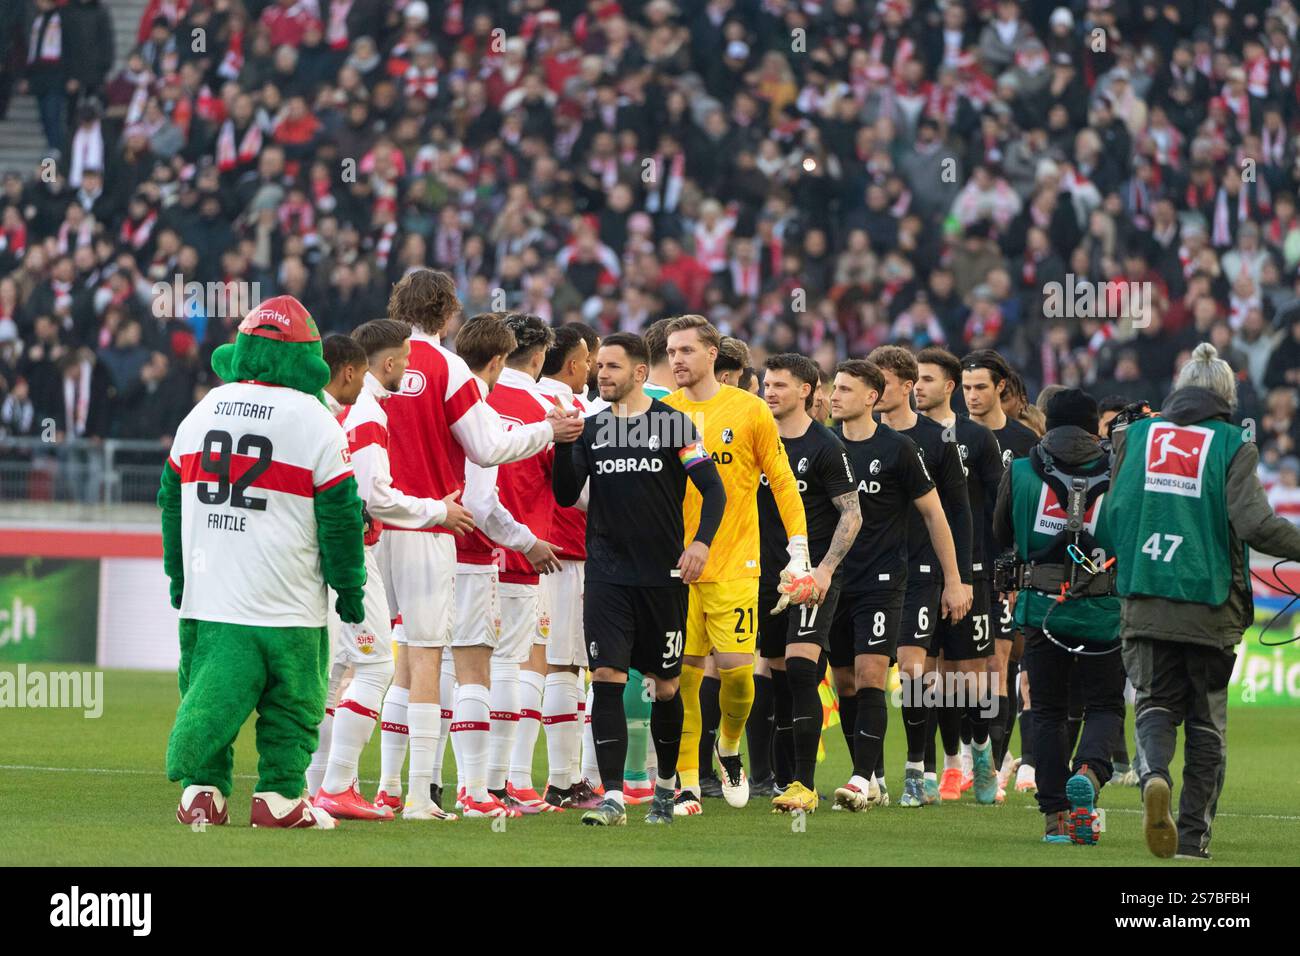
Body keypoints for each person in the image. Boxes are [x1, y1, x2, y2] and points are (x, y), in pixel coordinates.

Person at [371, 271, 582, 822]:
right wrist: (546, 434)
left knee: (378, 663)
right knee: (434, 658)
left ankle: (368, 785)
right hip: (440, 527)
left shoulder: (376, 359)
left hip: (374, 527)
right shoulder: (450, 369)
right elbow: (486, 450)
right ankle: (437, 793)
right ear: (446, 312)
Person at [1107, 343, 1300, 860]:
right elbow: (1256, 525)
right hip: (1210, 606)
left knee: (1152, 704)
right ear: (1227, 396)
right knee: (1206, 723)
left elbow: (1111, 517)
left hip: (1145, 600)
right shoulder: (1233, 444)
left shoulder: (1135, 435)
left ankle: (1152, 776)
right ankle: (1192, 839)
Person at [552, 331, 727, 825]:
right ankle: (611, 796)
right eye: (598, 366)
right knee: (606, 676)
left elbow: (713, 493)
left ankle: (666, 789)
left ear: (640, 373)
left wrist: (700, 544)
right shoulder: (590, 428)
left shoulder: (676, 426)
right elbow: (566, 496)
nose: (601, 373)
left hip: (663, 578)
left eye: (611, 366)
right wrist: (564, 447)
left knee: (665, 687)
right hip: (607, 575)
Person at [312, 322, 473, 821]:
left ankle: (315, 786)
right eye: (405, 359)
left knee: (337, 671)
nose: (410, 367)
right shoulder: (366, 415)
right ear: (384, 365)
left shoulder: (347, 411)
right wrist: (437, 511)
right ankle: (337, 784)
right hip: (355, 557)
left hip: (336, 555)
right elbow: (372, 496)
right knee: (377, 664)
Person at [662, 314, 811, 815]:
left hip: (736, 563)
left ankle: (728, 746)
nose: (677, 360)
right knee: (682, 678)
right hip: (677, 569)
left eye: (686, 350)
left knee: (737, 675)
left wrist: (799, 546)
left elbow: (783, 482)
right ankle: (685, 784)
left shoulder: (749, 411)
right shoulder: (662, 412)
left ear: (711, 355)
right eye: (671, 351)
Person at [828, 359, 971, 811]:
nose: (834, 396)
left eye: (845, 389)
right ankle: (869, 775)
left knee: (881, 673)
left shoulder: (900, 449)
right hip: (833, 581)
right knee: (845, 683)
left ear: (871, 397)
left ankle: (898, 771)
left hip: (886, 579)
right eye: (834, 387)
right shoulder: (826, 446)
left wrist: (955, 578)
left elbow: (936, 513)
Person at [993, 388, 1124, 845]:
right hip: (1105, 610)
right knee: (1105, 705)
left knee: (1047, 711)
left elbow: (1001, 532)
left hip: (1041, 608)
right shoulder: (1119, 470)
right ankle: (1088, 771)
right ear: (1095, 428)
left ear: (1046, 424)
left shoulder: (1023, 469)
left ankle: (1056, 819)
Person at [868, 345, 976, 804]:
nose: (875, 391)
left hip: (921, 569)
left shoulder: (937, 440)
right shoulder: (854, 437)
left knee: (914, 670)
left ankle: (918, 768)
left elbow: (958, 513)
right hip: (868, 572)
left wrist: (959, 580)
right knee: (863, 675)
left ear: (907, 387)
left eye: (884, 383)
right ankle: (869, 775)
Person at [757, 354, 862, 814]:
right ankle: (777, 779)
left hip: (808, 578)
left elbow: (852, 513)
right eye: (765, 383)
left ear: (806, 390)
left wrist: (823, 570)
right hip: (757, 574)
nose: (769, 391)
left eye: (780, 384)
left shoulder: (825, 446)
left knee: (802, 670)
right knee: (772, 678)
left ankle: (804, 782)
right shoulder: (756, 438)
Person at [914, 346, 1007, 802]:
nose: (917, 386)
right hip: (918, 572)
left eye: (927, 379)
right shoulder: (908, 436)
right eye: (914, 378)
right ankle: (942, 768)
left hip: (971, 570)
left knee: (968, 677)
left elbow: (995, 506)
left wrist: (988, 568)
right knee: (927, 676)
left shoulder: (977, 439)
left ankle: (982, 750)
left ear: (947, 386)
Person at [962, 348, 1039, 793]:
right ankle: (963, 756)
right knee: (958, 671)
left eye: (980, 388)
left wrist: (1022, 563)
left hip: (1008, 569)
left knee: (1000, 663)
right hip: (965, 567)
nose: (972, 396)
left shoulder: (1025, 445)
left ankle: (989, 766)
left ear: (1000, 389)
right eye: (967, 388)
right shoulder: (955, 438)